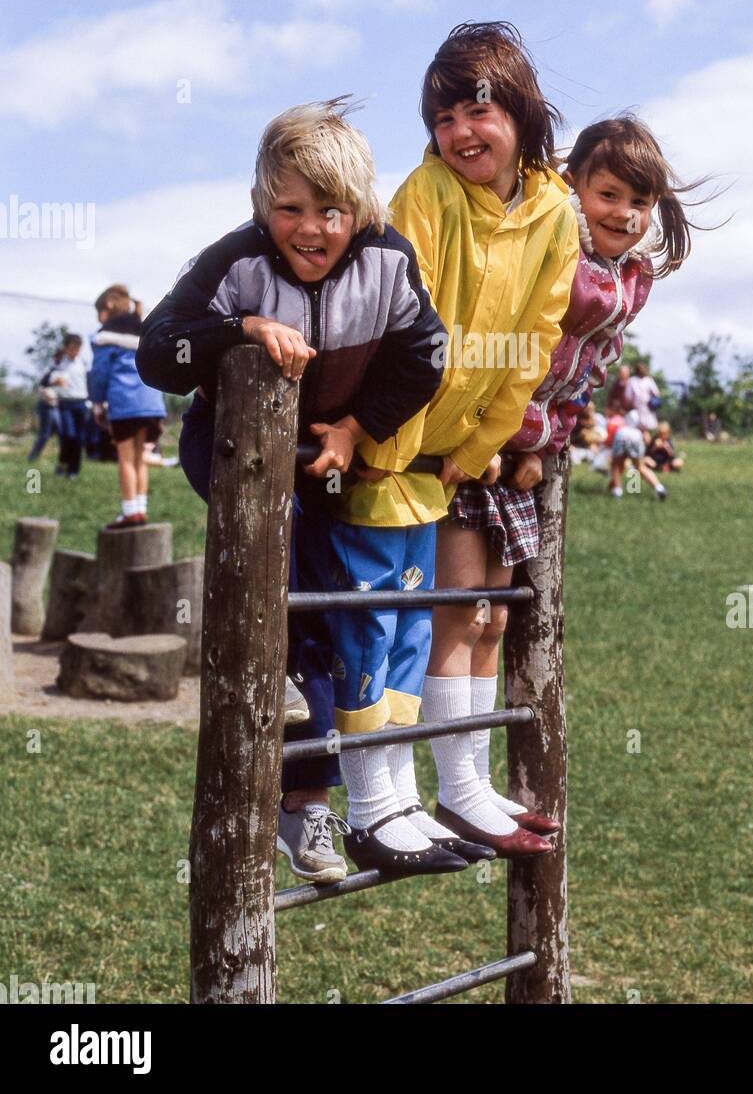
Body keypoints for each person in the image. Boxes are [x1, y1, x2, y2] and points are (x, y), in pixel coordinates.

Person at [137, 98, 472, 884]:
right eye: (289, 208)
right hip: (233, 446)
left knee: (321, 625)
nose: (310, 229)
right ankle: (276, 678)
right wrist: (243, 331)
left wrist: (356, 430)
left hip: (324, 458)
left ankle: (302, 806)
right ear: (262, 205)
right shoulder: (237, 262)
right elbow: (159, 350)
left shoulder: (390, 262)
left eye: (331, 210)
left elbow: (424, 357)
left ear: (360, 209)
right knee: (277, 592)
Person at [358, 22, 580, 858]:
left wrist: (481, 440)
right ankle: (374, 802)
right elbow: (398, 323)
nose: (458, 133)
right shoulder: (429, 196)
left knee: (453, 619)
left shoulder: (555, 212)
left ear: (520, 113)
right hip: (388, 444)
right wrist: (394, 440)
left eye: (474, 112)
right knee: (377, 625)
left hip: (455, 455)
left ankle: (460, 786)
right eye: (442, 119)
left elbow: (538, 339)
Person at [506, 114, 695, 516]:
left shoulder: (633, 276)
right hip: (481, 430)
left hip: (535, 444)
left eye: (639, 203)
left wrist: (546, 445)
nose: (625, 214)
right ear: (572, 186)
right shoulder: (548, 244)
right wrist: (481, 443)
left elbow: (588, 373)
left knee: (515, 573)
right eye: (609, 195)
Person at [89, 287, 168, 527]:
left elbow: (99, 374)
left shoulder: (105, 338)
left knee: (125, 458)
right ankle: (141, 510)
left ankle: (129, 511)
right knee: (139, 459)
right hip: (150, 401)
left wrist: (97, 403)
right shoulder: (145, 331)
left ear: (107, 310)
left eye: (98, 312)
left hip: (124, 403)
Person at [48, 336, 89, 479]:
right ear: (65, 348)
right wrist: (55, 381)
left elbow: (89, 380)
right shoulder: (58, 362)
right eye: (71, 349)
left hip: (81, 403)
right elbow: (48, 380)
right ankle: (63, 463)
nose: (74, 352)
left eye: (77, 349)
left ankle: (73, 470)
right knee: (68, 435)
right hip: (65, 403)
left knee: (79, 438)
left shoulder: (83, 362)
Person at [28, 350, 63, 463]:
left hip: (57, 405)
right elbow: (41, 386)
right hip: (46, 405)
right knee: (45, 434)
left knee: (62, 432)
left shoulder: (64, 370)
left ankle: (64, 459)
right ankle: (33, 457)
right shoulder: (50, 370)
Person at [628, 361, 661, 432]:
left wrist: (652, 401)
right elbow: (628, 396)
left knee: (652, 427)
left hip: (648, 408)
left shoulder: (648, 380)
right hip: (637, 409)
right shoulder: (632, 380)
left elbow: (657, 393)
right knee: (637, 429)